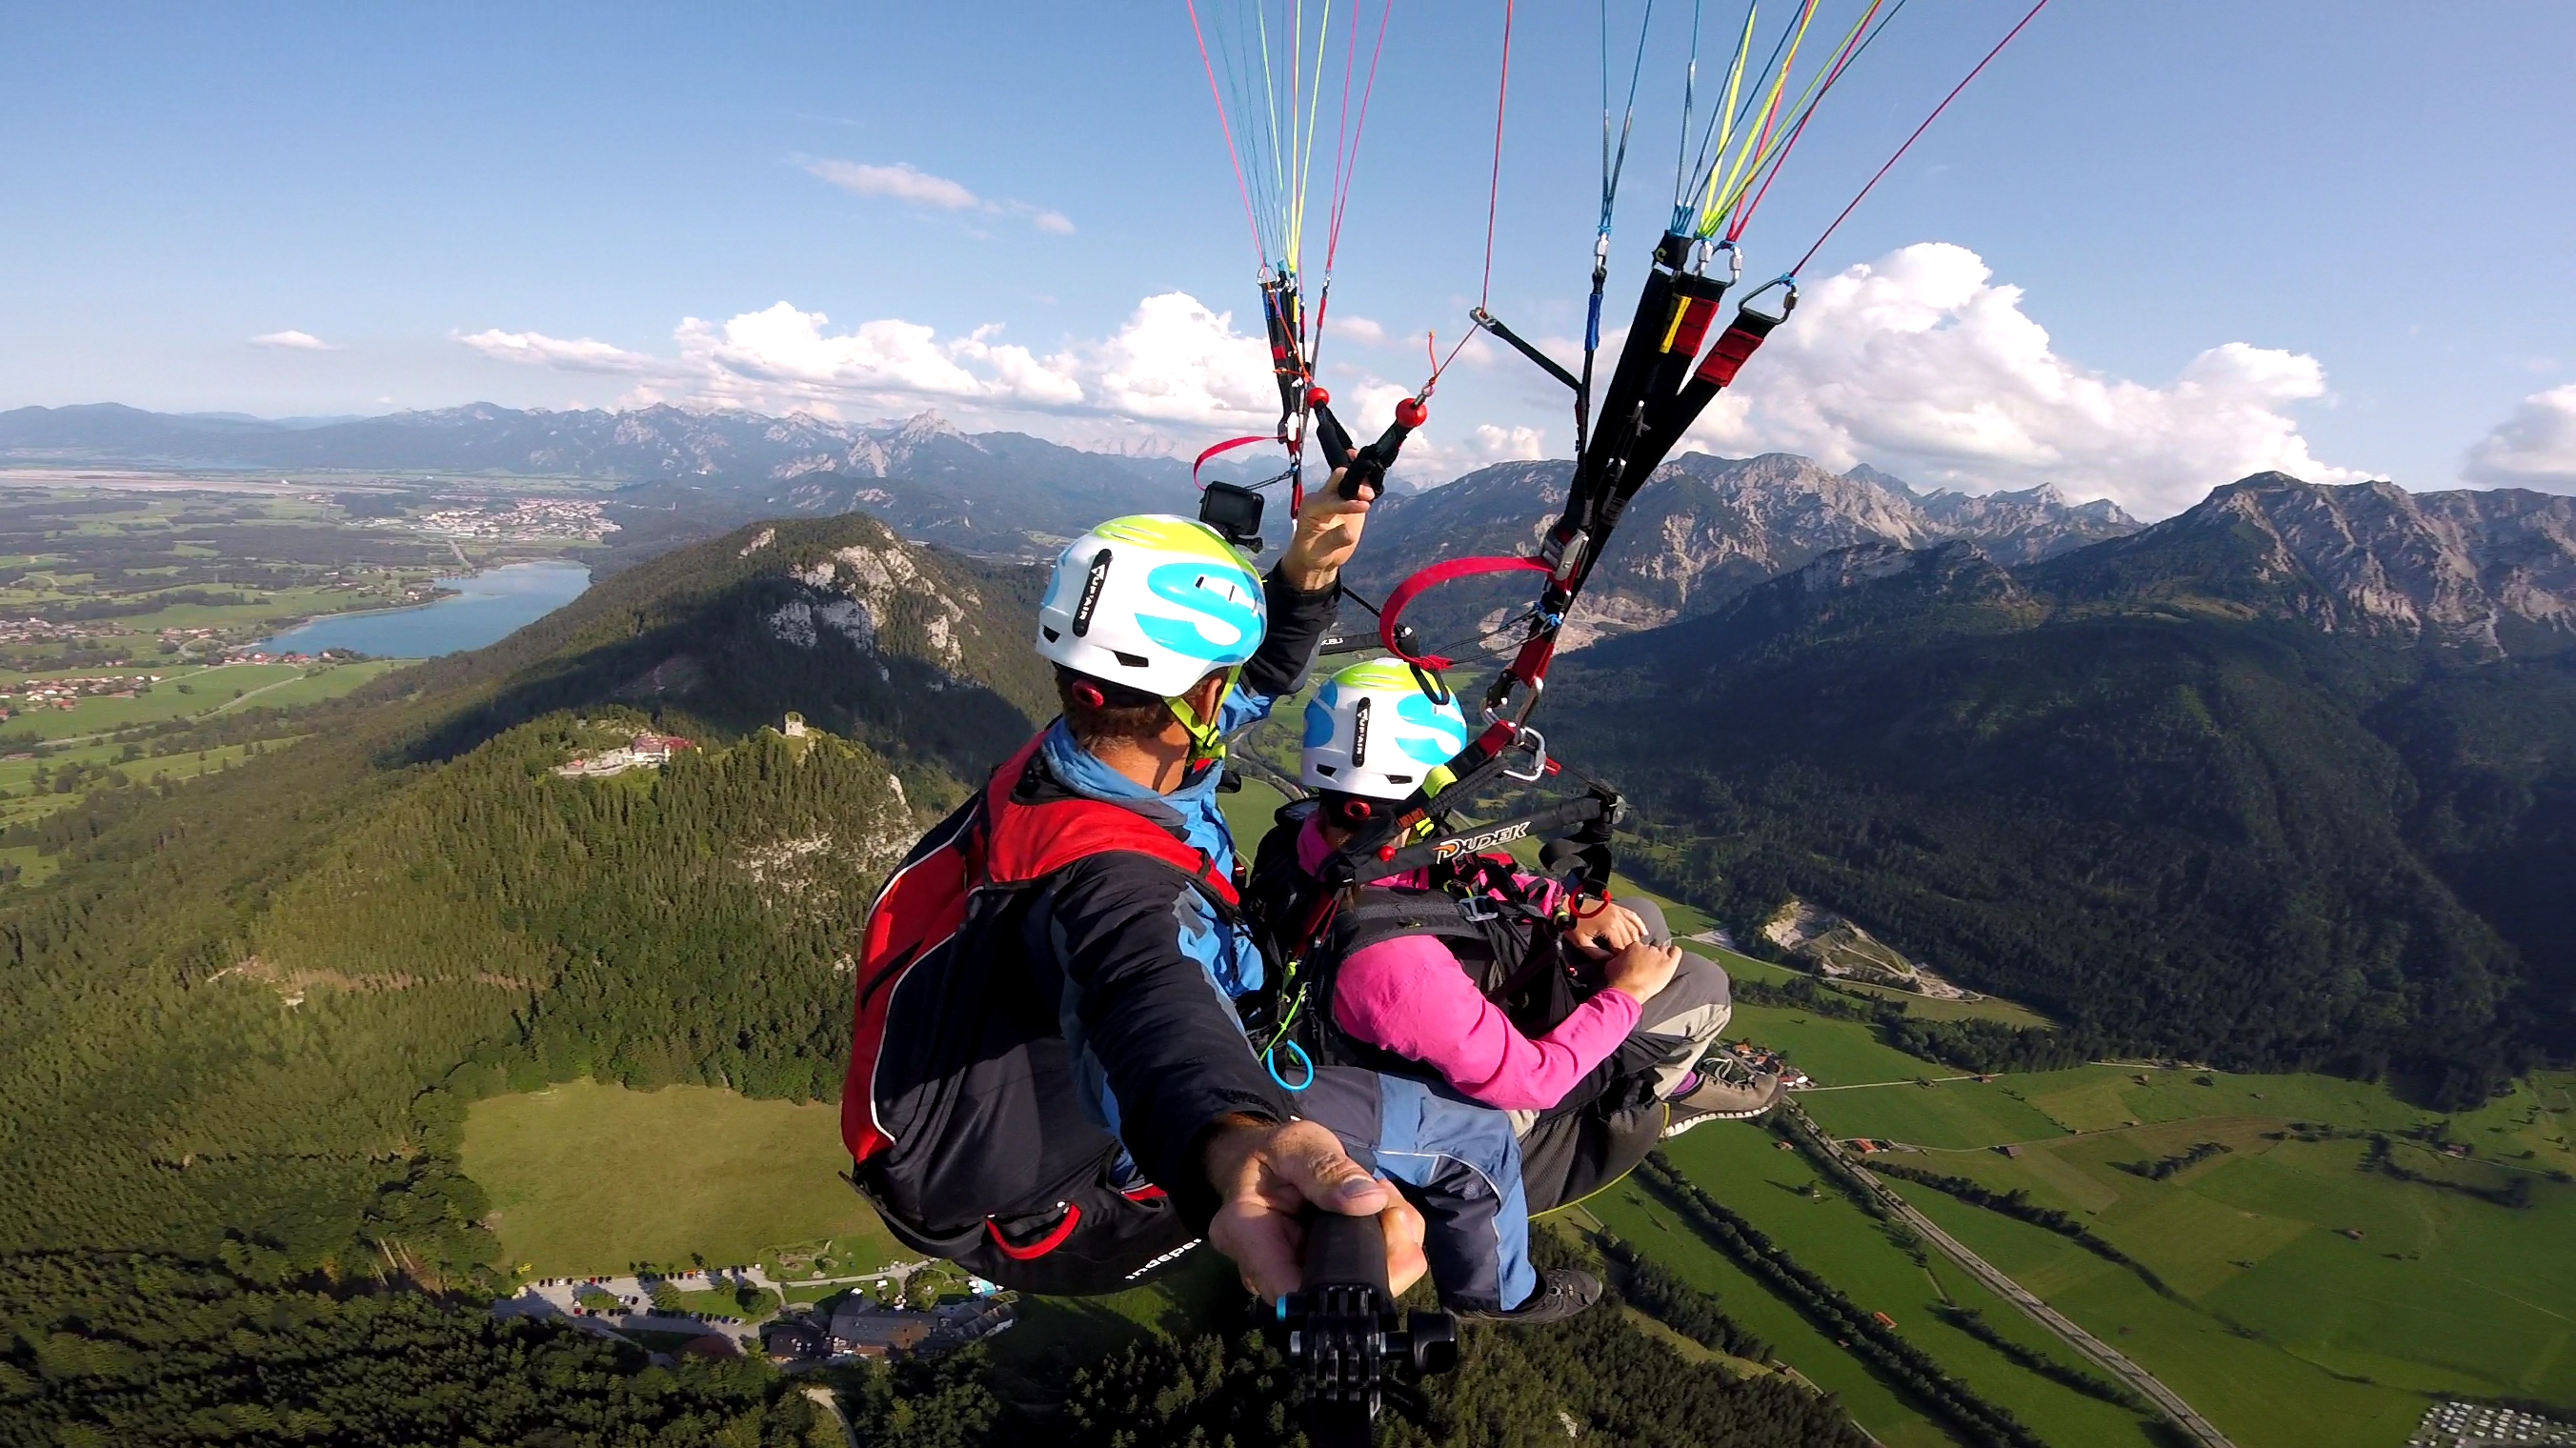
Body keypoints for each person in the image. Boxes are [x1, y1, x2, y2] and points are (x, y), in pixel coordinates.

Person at [841, 491, 1593, 1322]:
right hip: (1070, 1207)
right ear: (1199, 703)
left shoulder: (1075, 758)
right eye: (1220, 688)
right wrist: (1243, 1138)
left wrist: (1304, 578)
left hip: (987, 1143)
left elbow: (1252, 685)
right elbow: (1149, 1002)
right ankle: (1505, 1297)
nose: (1230, 701)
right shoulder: (1113, 885)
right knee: (1473, 1141)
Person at [1257, 658, 1782, 1214]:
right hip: (1482, 1108)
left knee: (1637, 920)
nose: (1450, 801)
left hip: (1423, 1004)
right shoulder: (1393, 967)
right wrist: (1625, 996)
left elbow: (1453, 868)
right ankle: (1654, 1086)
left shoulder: (1312, 836)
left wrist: (1565, 907)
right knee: (1703, 985)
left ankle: (1642, 1037)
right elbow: (1532, 1081)